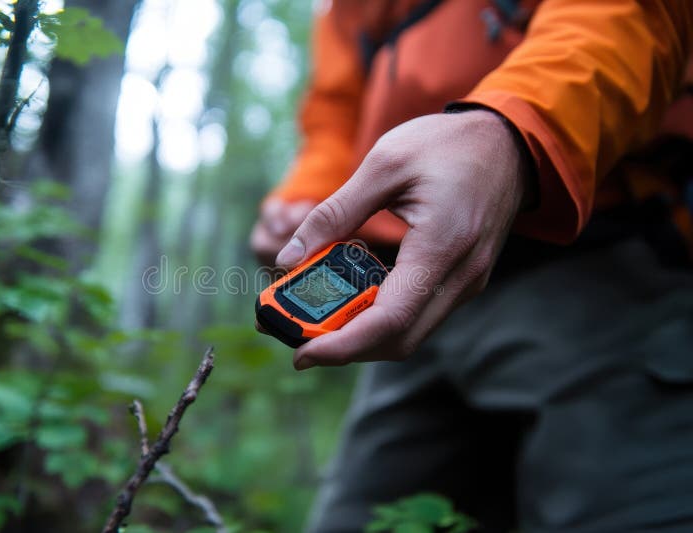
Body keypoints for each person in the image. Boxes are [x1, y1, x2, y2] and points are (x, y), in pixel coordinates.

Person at [251, 0, 693, 531]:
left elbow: (630, 14)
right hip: (404, 288)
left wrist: (517, 126)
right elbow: (338, 102)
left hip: (602, 269)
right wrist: (310, 192)